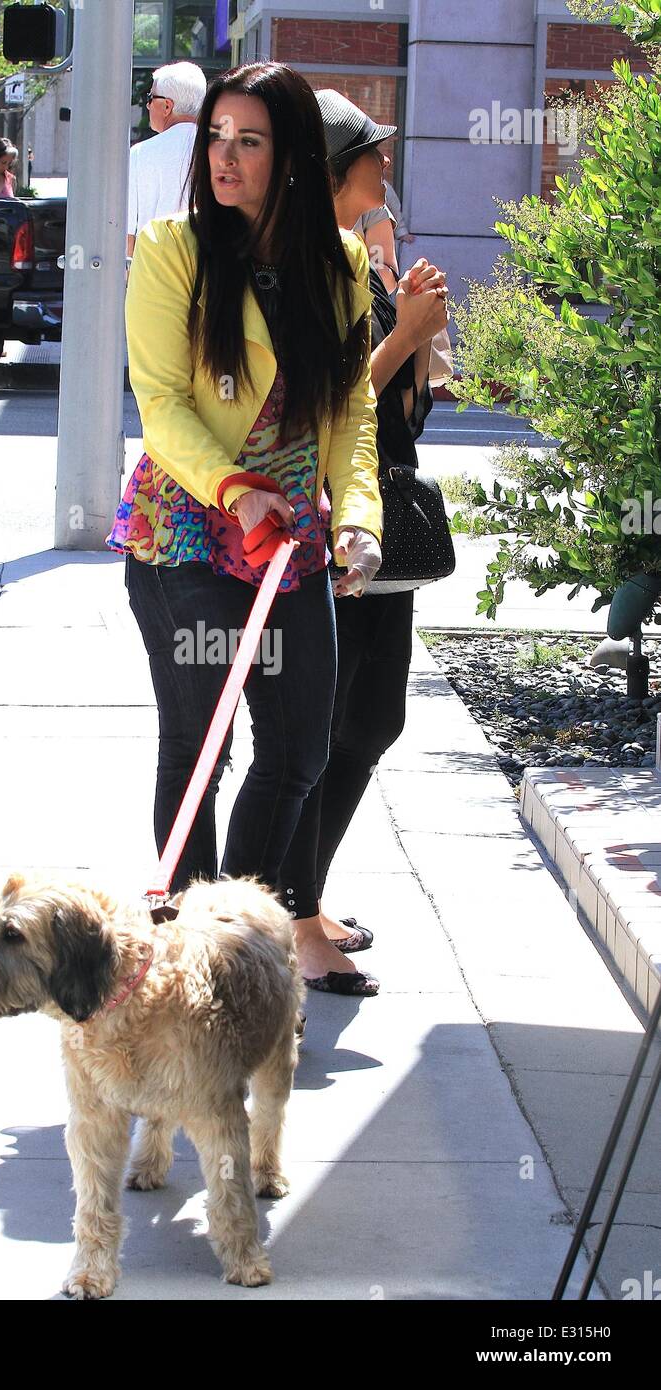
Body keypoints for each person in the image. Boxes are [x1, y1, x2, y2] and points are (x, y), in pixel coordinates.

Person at [109, 62, 383, 991]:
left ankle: (236, 939)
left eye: (249, 141)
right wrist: (234, 487)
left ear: (294, 158)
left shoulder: (339, 262)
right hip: (188, 532)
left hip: (294, 544)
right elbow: (158, 404)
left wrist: (357, 520)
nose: (223, 158)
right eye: (216, 138)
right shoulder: (173, 250)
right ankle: (191, 962)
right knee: (201, 748)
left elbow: (351, 414)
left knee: (301, 745)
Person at [275, 90, 449, 984]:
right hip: (327, 525)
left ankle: (305, 901)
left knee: (374, 718)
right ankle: (293, 923)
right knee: (317, 724)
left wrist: (420, 339)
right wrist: (402, 338)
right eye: (374, 155)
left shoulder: (365, 266)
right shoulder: (306, 267)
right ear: (337, 171)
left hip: (383, 518)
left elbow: (404, 409)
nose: (388, 166)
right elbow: (327, 406)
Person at [126, 61, 207, 262]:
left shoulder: (140, 153)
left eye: (151, 97)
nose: (147, 104)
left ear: (167, 106)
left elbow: (127, 234)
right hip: (208, 271)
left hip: (154, 273)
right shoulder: (220, 149)